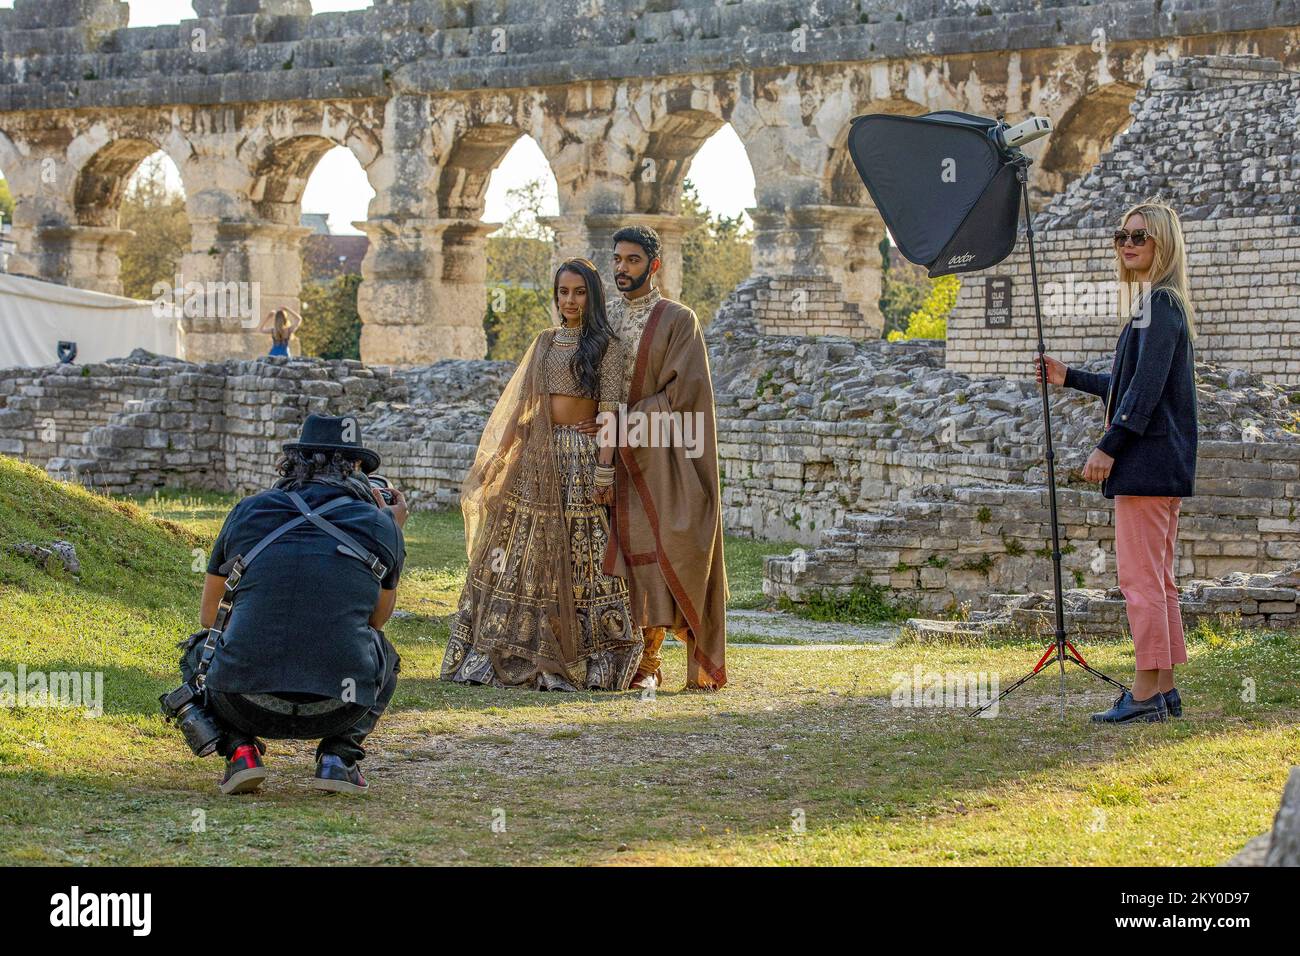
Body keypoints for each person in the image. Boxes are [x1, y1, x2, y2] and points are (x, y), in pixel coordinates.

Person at [441, 257, 643, 690]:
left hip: (581, 457)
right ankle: (504, 648)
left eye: (579, 291)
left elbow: (610, 412)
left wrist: (605, 470)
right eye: (562, 292)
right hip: (536, 457)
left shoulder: (608, 346)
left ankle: (581, 657)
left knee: (579, 554)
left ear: (593, 295)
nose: (569, 300)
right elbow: (522, 409)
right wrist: (498, 459)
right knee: (521, 553)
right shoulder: (545, 342)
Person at [181, 414, 407, 794]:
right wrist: (392, 531)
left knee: (196, 649)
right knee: (386, 653)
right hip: (340, 703)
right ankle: (339, 757)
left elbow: (209, 615)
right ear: (356, 469)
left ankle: (240, 752)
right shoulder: (380, 524)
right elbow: (376, 622)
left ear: (293, 463)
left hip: (242, 698)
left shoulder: (247, 511)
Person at [1036, 201, 1198, 724]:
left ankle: (1145, 694)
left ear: (1162, 244)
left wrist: (1109, 445)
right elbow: (1130, 385)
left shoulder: (1160, 305)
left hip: (1147, 464)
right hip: (1161, 464)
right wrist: (1070, 378)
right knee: (1159, 579)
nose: (1128, 244)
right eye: (1121, 236)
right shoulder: (1159, 305)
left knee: (1140, 582)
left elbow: (1144, 394)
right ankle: (1165, 688)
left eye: (1140, 237)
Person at [585, 224, 729, 690]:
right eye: (617, 260)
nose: (622, 269)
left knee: (663, 551)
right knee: (617, 557)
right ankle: (617, 659)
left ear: (654, 264)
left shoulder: (677, 319)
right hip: (605, 453)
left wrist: (628, 420)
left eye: (632, 260)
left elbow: (686, 394)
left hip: (662, 457)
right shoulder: (603, 319)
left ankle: (649, 662)